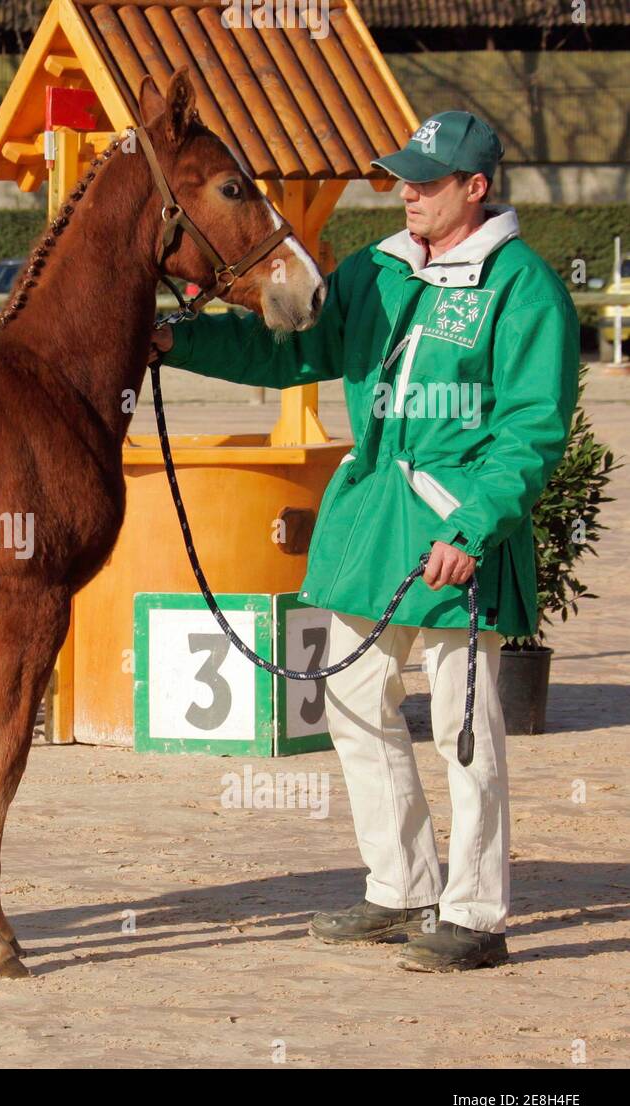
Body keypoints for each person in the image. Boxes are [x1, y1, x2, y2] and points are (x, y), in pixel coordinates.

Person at [152, 112, 578, 971]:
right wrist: (174, 340)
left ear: (476, 188)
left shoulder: (525, 288)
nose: (407, 192)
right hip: (374, 529)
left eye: (425, 181)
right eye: (403, 178)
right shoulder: (377, 273)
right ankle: (402, 885)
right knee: (351, 704)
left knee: (469, 728)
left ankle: (475, 913)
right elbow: (288, 350)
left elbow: (532, 429)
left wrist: (474, 525)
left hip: (461, 538)